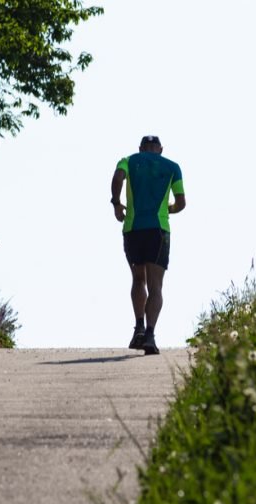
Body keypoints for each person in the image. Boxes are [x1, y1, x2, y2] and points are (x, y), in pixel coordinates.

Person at [110, 135, 186, 355]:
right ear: (160, 149)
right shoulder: (172, 167)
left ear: (141, 148)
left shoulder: (129, 160)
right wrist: (167, 210)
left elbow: (117, 177)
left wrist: (116, 203)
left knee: (138, 279)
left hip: (133, 228)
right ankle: (150, 335)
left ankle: (139, 327)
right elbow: (181, 203)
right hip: (158, 230)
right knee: (156, 286)